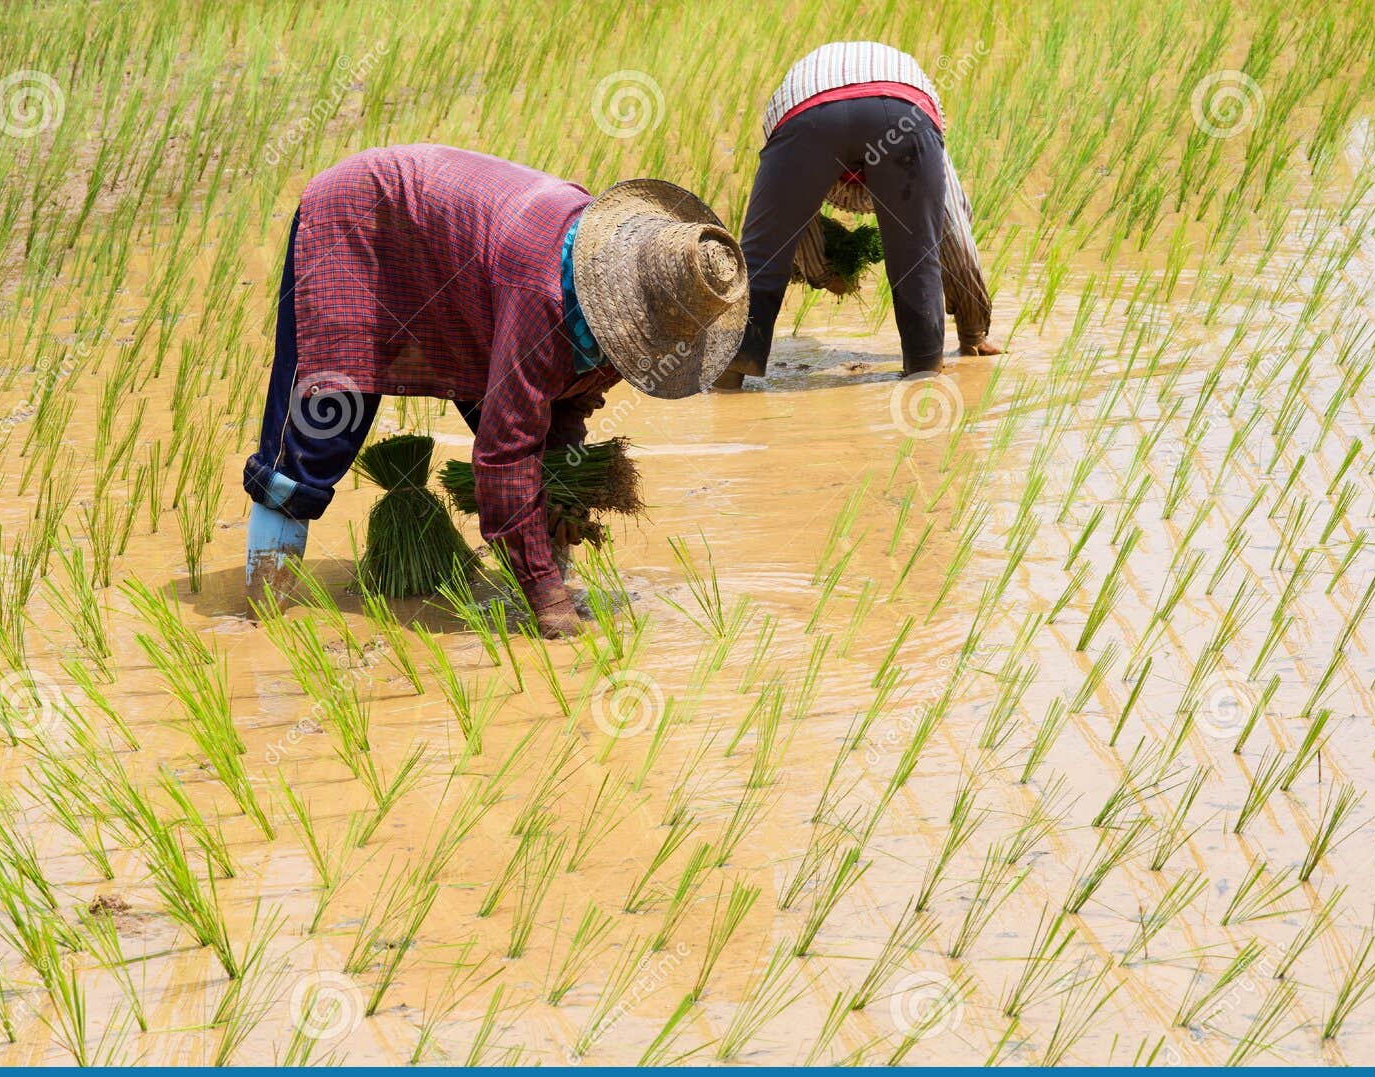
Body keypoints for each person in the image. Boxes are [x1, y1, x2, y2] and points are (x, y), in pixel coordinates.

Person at [242, 144, 747, 636]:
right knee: (324, 417)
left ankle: (542, 571)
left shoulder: (625, 290)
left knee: (540, 453)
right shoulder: (545, 299)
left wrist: (563, 474)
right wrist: (549, 603)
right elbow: (503, 456)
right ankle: (262, 611)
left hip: (464, 270)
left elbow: (568, 395)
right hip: (366, 216)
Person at [716, 41, 1000, 391]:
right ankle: (924, 374)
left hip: (807, 117)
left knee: (760, 262)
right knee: (917, 258)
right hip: (903, 114)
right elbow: (955, 238)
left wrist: (823, 273)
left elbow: (789, 230)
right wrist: (973, 331)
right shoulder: (931, 146)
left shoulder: (796, 119)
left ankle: (729, 378)